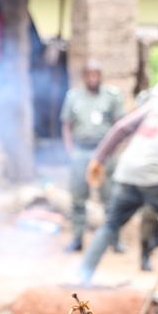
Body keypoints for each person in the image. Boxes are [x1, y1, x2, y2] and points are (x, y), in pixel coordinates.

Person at [78, 56, 158, 283]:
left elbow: (121, 127)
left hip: (127, 172)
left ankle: (82, 275)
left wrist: (99, 158)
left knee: (110, 224)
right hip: (154, 177)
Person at [60, 60, 125, 252]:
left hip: (103, 152)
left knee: (110, 199)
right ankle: (77, 239)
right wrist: (70, 151)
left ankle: (114, 240)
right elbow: (66, 126)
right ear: (84, 76)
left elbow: (118, 125)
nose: (93, 79)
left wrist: (112, 151)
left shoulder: (111, 96)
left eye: (96, 75)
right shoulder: (73, 97)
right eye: (89, 75)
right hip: (80, 151)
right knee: (78, 198)